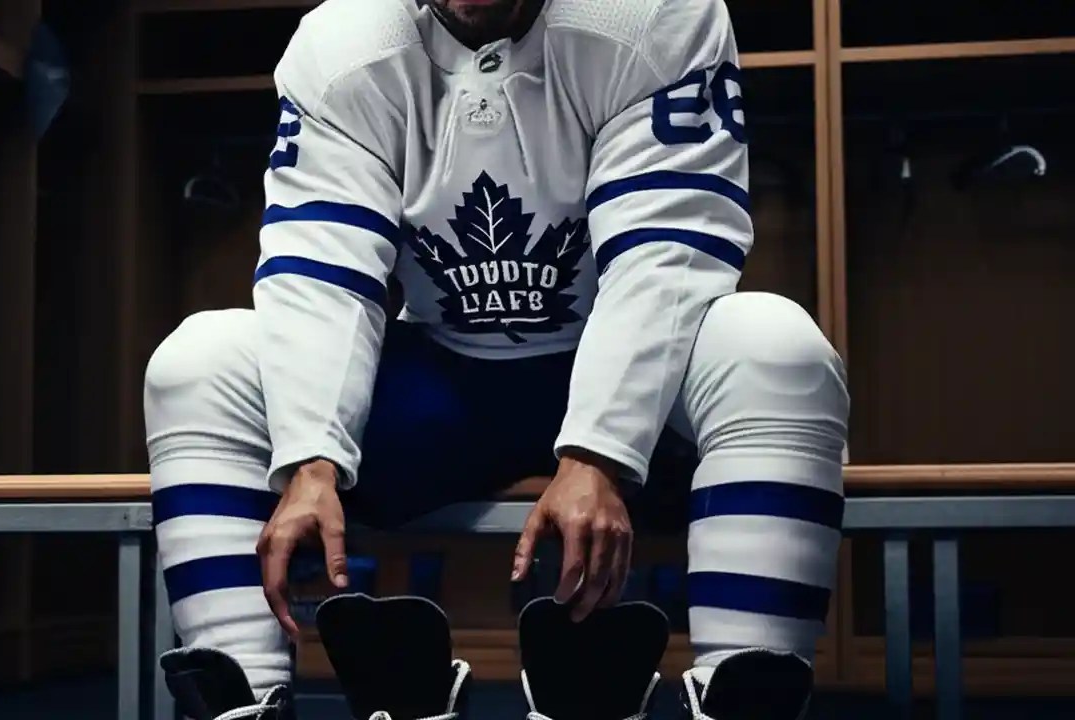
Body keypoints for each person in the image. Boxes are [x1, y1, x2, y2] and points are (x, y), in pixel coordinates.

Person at [145, 0, 849, 717]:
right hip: (442, 390)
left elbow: (663, 258)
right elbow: (324, 272)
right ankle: (246, 692)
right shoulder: (342, 43)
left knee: (774, 345)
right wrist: (309, 459)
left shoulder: (653, 13)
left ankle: (745, 695)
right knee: (201, 360)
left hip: (628, 389)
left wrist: (599, 454)